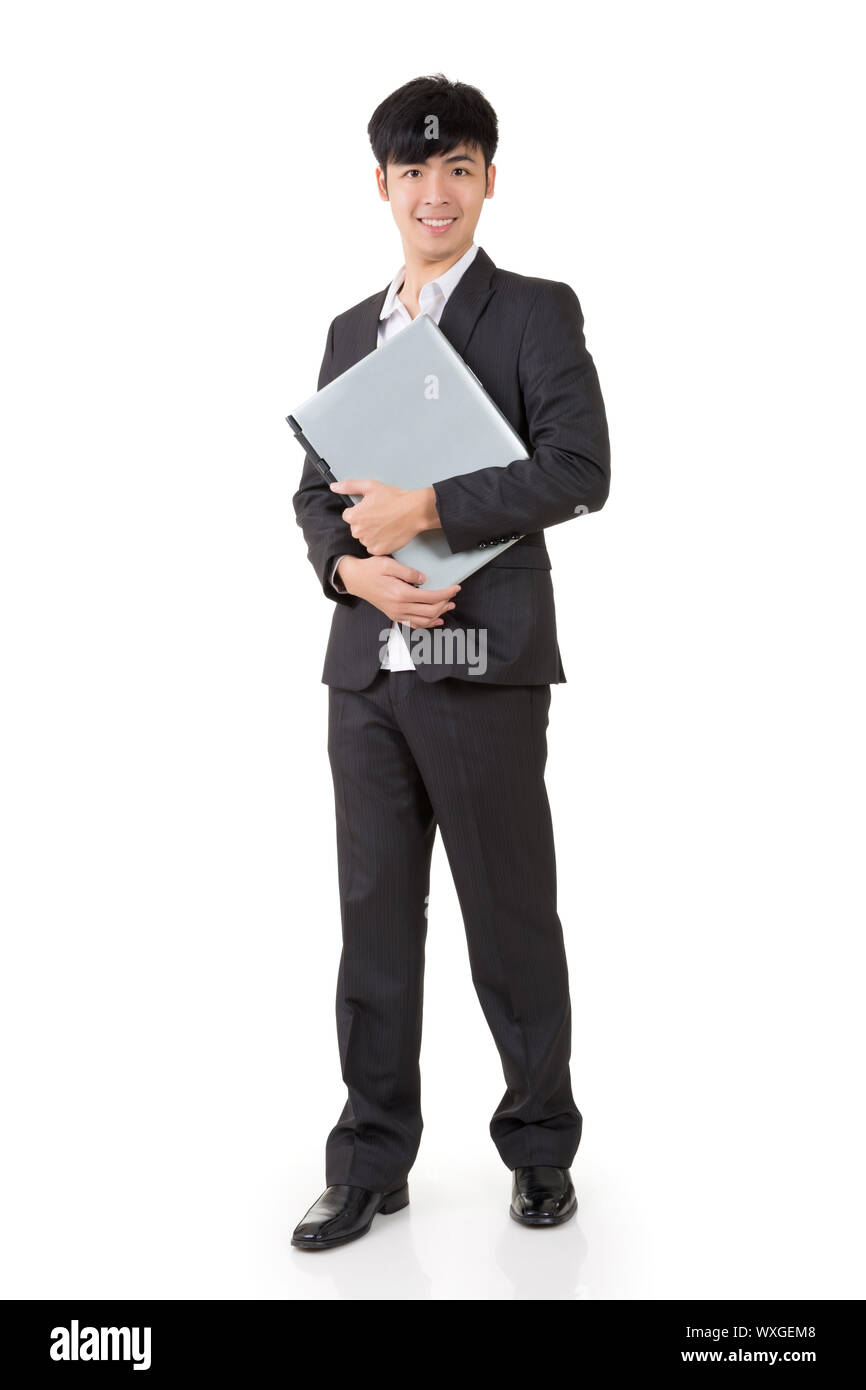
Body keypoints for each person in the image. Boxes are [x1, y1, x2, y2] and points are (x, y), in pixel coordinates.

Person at [290, 74, 611, 1251]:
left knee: (508, 914)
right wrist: (346, 570)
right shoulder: (345, 331)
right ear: (381, 185)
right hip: (366, 671)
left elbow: (578, 465)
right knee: (373, 919)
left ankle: (538, 1149)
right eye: (413, 172)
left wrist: (431, 500)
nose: (435, 191)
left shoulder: (533, 312)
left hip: (483, 662)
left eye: (458, 167)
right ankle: (371, 1158)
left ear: (486, 180)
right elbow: (315, 491)